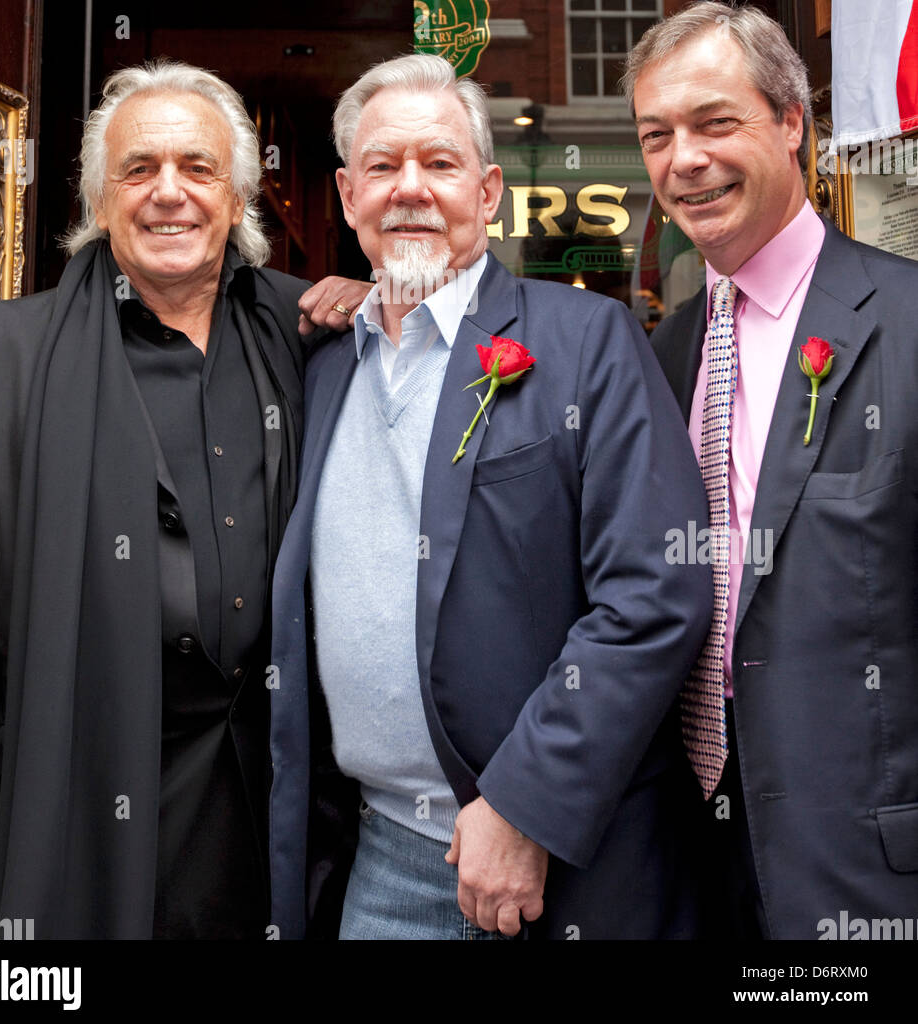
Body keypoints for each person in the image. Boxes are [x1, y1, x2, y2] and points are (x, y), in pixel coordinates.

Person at [267, 52, 712, 941]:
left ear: (491, 189)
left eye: (440, 163)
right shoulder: (321, 371)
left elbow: (657, 592)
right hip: (383, 862)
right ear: (349, 194)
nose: (412, 190)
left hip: (563, 861)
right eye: (384, 166)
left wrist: (524, 805)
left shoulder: (588, 340)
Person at [0, 60, 365, 939]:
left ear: (239, 198)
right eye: (139, 171)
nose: (170, 194)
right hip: (73, 824)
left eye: (198, 170)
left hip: (274, 831)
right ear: (99, 204)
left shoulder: (312, 329)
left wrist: (377, 297)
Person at [627, 0, 918, 939]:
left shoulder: (907, 320)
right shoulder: (663, 357)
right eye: (657, 135)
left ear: (793, 123)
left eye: (717, 122)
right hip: (695, 863)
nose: (685, 160)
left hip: (867, 871)